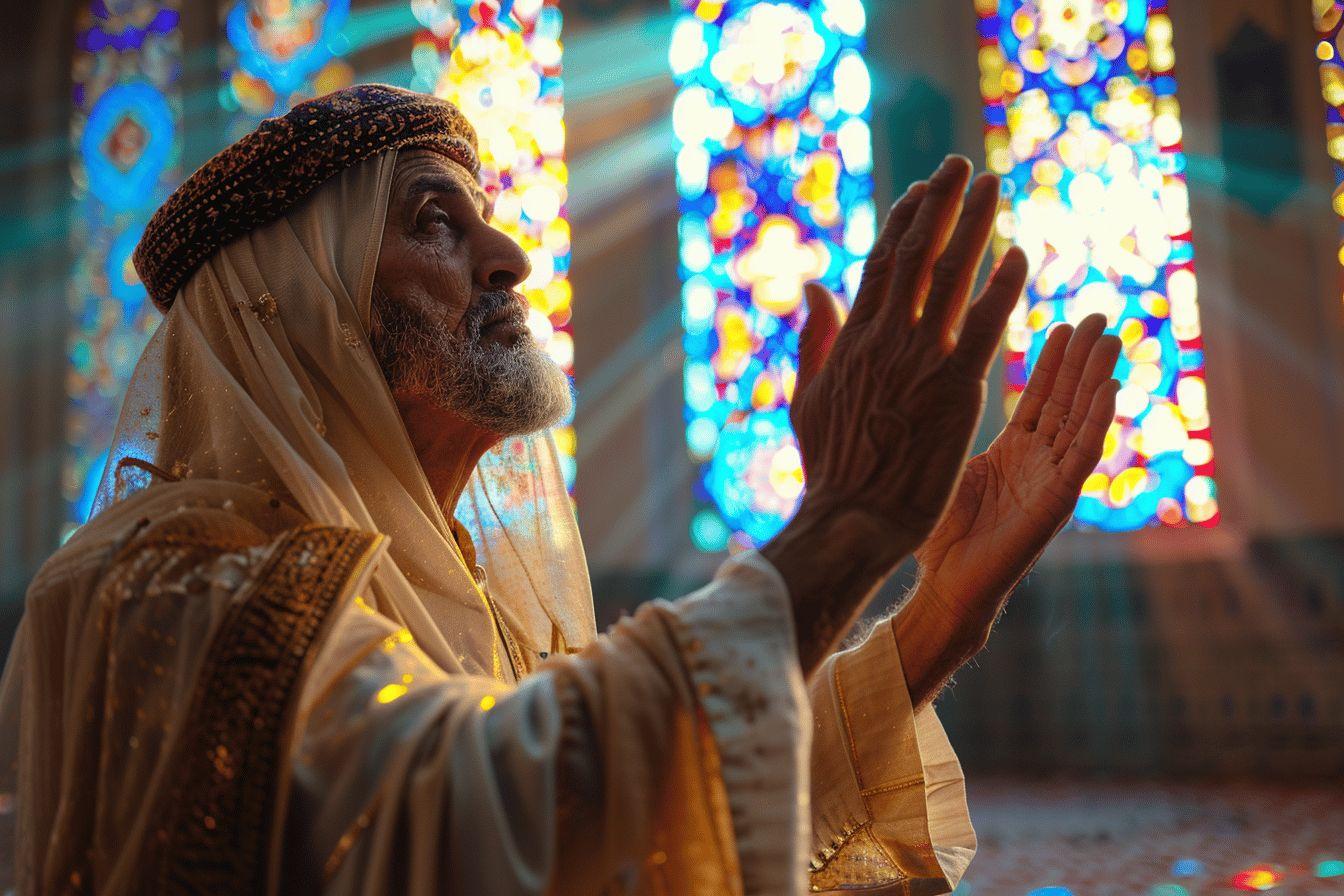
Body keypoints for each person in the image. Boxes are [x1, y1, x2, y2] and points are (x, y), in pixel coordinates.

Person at [0, 85, 1120, 895]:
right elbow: (483, 822)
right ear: (303, 317)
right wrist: (845, 525)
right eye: (436, 222)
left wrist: (939, 609)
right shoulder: (159, 587)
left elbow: (639, 799)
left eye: (486, 215)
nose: (508, 257)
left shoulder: (456, 586)